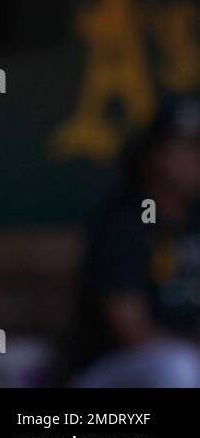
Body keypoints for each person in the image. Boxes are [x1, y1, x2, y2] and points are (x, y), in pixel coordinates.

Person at [62, 96, 200, 387]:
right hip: (110, 370)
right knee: (178, 367)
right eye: (188, 147)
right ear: (155, 154)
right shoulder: (125, 222)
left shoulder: (192, 221)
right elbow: (132, 331)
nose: (196, 158)